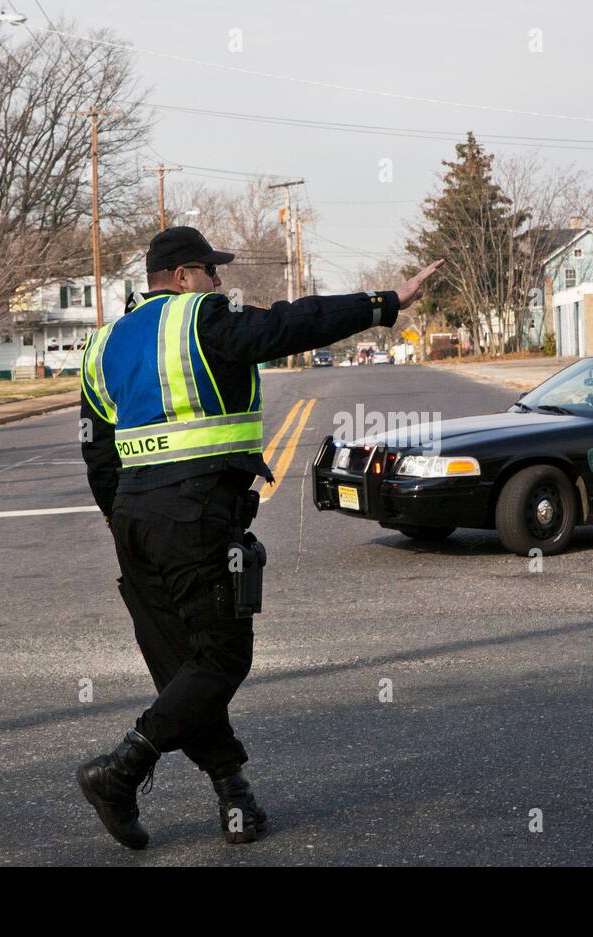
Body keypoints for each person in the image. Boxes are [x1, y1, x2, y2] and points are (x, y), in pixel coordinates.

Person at [76, 225, 442, 849]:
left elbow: (97, 450)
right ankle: (121, 770)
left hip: (134, 523)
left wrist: (123, 520)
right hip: (195, 514)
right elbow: (292, 324)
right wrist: (383, 304)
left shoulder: (102, 344)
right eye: (210, 271)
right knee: (222, 658)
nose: (219, 282)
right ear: (186, 277)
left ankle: (232, 794)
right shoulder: (204, 318)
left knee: (182, 668)